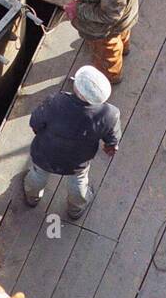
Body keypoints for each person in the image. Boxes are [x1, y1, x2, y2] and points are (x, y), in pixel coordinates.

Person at [23, 65, 120, 219]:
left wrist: (37, 129)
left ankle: (32, 198)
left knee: (37, 176)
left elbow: (35, 121)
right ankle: (75, 210)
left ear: (77, 89)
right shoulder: (110, 114)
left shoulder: (55, 101)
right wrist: (111, 146)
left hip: (45, 154)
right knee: (79, 183)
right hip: (77, 161)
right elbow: (112, 137)